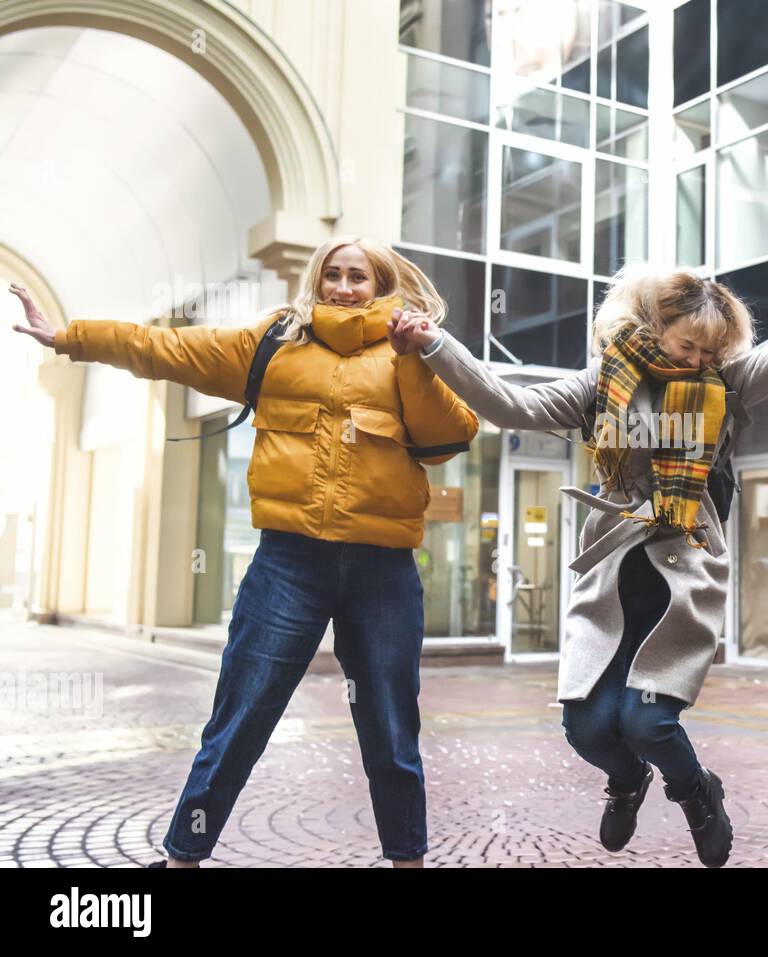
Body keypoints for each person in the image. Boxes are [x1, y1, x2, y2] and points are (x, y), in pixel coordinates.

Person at [386, 232, 768, 866]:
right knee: (587, 726)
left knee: (648, 721)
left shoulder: (728, 382)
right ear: (655, 326)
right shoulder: (603, 383)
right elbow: (509, 404)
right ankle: (627, 782)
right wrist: (434, 344)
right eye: (687, 344)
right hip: (612, 571)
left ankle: (698, 794)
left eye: (710, 349)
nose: (697, 360)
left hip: (681, 570)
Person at [10, 237, 479, 867]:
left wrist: (415, 357)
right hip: (288, 564)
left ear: (381, 285)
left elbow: (452, 435)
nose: (343, 287)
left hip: (382, 569)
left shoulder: (411, 352)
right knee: (240, 717)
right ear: (318, 280)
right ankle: (182, 857)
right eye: (333, 275)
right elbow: (166, 348)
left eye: (358, 277)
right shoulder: (273, 344)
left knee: (391, 729)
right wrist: (72, 337)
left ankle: (407, 861)